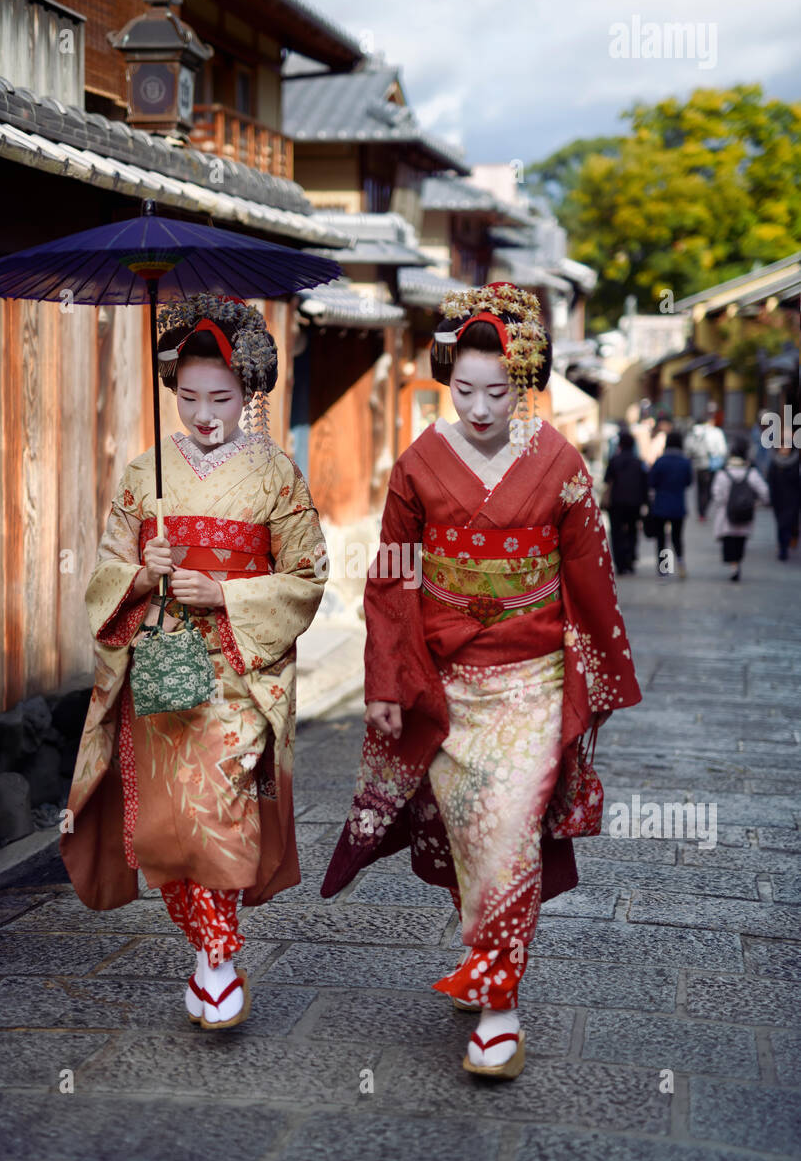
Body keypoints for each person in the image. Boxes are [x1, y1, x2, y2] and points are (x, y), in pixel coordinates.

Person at [320, 282, 642, 1079]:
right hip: (447, 678)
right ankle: (488, 950)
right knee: (472, 835)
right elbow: (392, 578)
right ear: (444, 377)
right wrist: (389, 681)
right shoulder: (419, 465)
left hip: (532, 677)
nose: (480, 406)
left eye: (498, 390)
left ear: (523, 385)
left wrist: (597, 672)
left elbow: (588, 573)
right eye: (463, 388)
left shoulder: (560, 464)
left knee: (506, 831)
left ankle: (500, 1007)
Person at [63, 294, 328, 1029]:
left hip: (239, 669)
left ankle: (218, 959)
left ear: (251, 394)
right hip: (163, 661)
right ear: (170, 392)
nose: (205, 414)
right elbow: (105, 576)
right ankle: (210, 947)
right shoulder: (142, 471)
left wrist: (228, 591)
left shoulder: (277, 475)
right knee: (164, 827)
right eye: (187, 397)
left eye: (222, 397)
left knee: (217, 807)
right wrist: (143, 574)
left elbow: (306, 574)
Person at [710, 435, 770, 581]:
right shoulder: (752, 473)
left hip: (727, 515)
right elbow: (764, 491)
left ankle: (734, 566)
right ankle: (736, 564)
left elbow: (716, 494)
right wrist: (757, 504)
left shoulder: (723, 473)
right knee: (740, 543)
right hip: (745, 514)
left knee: (729, 543)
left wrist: (724, 503)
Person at [648, 430, 694, 577]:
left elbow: (652, 482)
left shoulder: (660, 461)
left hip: (661, 504)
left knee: (661, 538)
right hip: (678, 505)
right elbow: (688, 482)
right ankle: (680, 561)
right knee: (677, 537)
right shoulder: (685, 462)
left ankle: (664, 568)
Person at [604, 430, 649, 574]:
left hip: (616, 502)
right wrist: (646, 503)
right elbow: (645, 484)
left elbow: (607, 481)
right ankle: (630, 559)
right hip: (634, 502)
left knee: (616, 532)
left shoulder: (614, 461)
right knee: (632, 530)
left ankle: (620, 563)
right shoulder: (639, 463)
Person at [684, 405, 727, 519]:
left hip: (698, 464)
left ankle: (701, 512)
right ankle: (704, 508)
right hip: (711, 464)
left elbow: (688, 448)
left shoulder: (694, 431)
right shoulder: (716, 432)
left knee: (700, 489)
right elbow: (722, 450)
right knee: (709, 489)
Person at [766, 438, 801, 561]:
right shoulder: (775, 462)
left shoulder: (796, 463)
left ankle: (785, 547)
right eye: (782, 446)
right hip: (778, 499)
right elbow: (770, 481)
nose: (784, 449)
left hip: (793, 500)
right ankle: (783, 546)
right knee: (781, 524)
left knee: (788, 523)